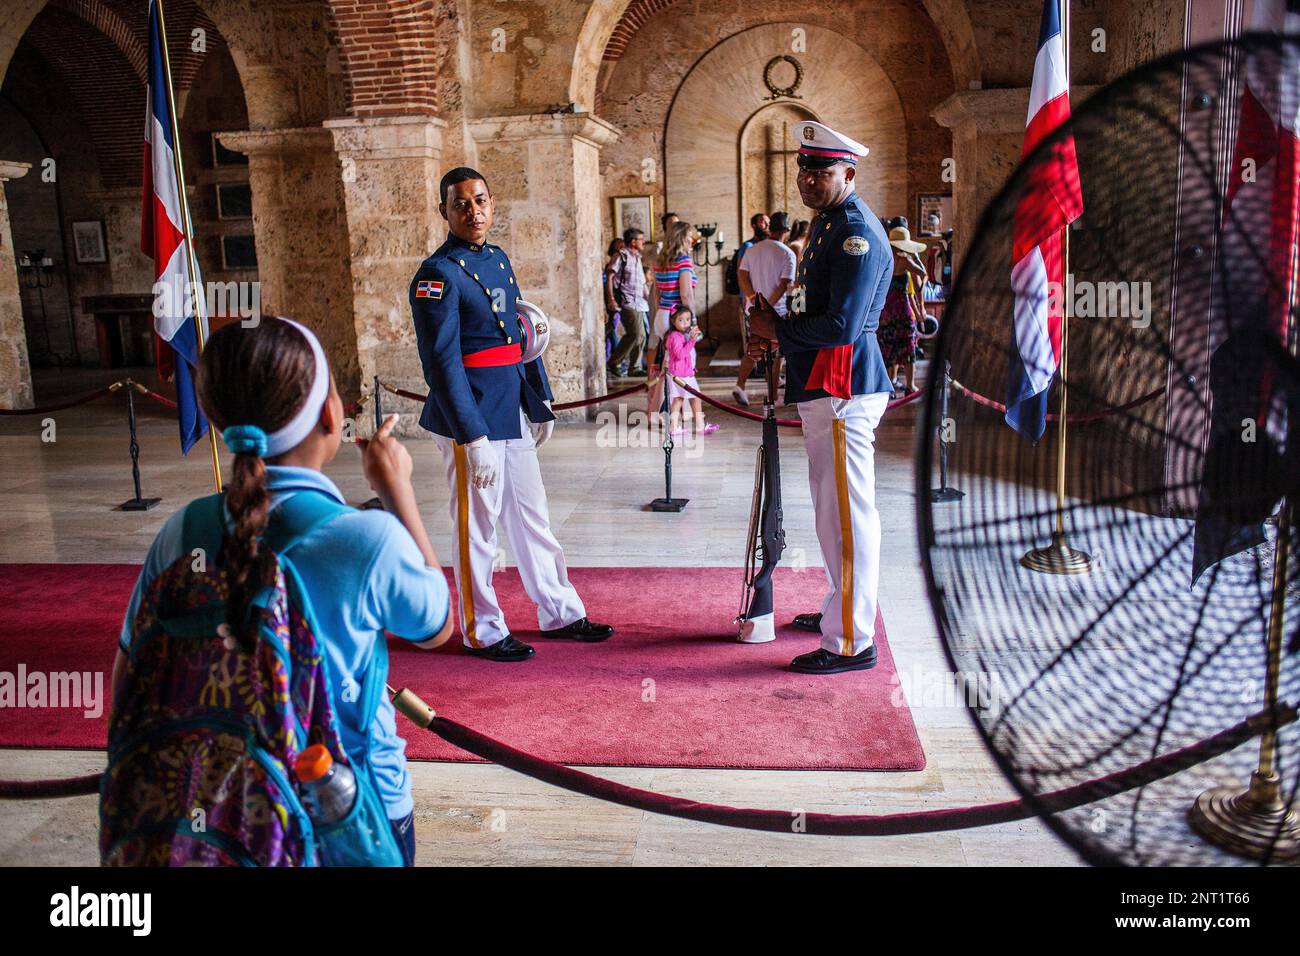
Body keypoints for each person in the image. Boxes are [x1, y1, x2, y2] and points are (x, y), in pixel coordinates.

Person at [112, 316, 455, 866]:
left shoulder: (181, 530)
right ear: (329, 414)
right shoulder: (367, 540)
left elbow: (131, 671)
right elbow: (438, 625)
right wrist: (396, 489)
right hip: (347, 805)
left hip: (219, 808)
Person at [410, 166, 614, 663]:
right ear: (444, 211)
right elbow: (441, 363)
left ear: (492, 202)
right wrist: (472, 437)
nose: (473, 211)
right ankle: (482, 628)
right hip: (471, 415)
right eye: (460, 204)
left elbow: (520, 335)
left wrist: (537, 398)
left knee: (531, 515)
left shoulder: (498, 259)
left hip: (510, 404)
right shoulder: (437, 275)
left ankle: (559, 611)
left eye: (480, 200)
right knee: (478, 525)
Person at [747, 121, 893, 675]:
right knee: (831, 511)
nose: (808, 180)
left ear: (847, 174)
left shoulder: (855, 231)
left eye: (822, 172)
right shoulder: (829, 222)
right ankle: (841, 608)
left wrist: (775, 332)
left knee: (849, 516)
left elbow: (840, 326)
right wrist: (775, 321)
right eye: (804, 170)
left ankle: (853, 639)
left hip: (843, 384)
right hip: (824, 385)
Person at [734, 211, 796, 405]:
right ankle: (773, 395)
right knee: (776, 355)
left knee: (755, 347)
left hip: (753, 309)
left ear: (770, 228)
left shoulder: (753, 249)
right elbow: (784, 284)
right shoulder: (787, 253)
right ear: (786, 230)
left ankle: (740, 385)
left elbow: (742, 276)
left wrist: (754, 299)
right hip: (776, 310)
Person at [645, 220, 698, 415]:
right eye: (689, 236)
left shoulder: (660, 261)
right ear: (682, 238)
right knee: (684, 365)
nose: (691, 240)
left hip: (663, 314)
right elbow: (686, 294)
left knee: (668, 368)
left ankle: (655, 412)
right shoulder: (683, 261)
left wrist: (664, 313)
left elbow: (657, 294)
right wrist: (692, 320)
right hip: (678, 317)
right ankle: (681, 413)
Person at [879, 224, 928, 394]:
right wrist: (915, 256)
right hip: (902, 307)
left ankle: (888, 384)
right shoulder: (904, 260)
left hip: (884, 309)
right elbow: (922, 273)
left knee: (887, 347)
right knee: (908, 347)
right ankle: (910, 385)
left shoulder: (883, 258)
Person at [663, 306, 718, 436]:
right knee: (695, 398)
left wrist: (693, 337)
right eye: (681, 320)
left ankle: (674, 427)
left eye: (688, 319)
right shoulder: (674, 337)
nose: (685, 323)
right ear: (673, 321)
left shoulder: (680, 335)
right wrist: (692, 340)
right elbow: (680, 355)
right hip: (681, 375)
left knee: (679, 400)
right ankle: (699, 426)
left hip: (682, 373)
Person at [606, 227, 650, 378]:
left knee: (641, 335)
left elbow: (642, 283)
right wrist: (611, 299)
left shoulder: (637, 258)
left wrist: (649, 299)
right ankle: (614, 361)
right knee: (635, 333)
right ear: (633, 242)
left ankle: (634, 367)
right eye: (641, 239)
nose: (644, 242)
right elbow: (610, 276)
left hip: (640, 302)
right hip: (627, 301)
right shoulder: (621, 256)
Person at [602, 237, 625, 365]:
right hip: (612, 301)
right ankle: (615, 361)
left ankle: (612, 359)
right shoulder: (611, 265)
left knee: (612, 330)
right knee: (611, 329)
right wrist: (610, 300)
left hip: (615, 300)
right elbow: (607, 285)